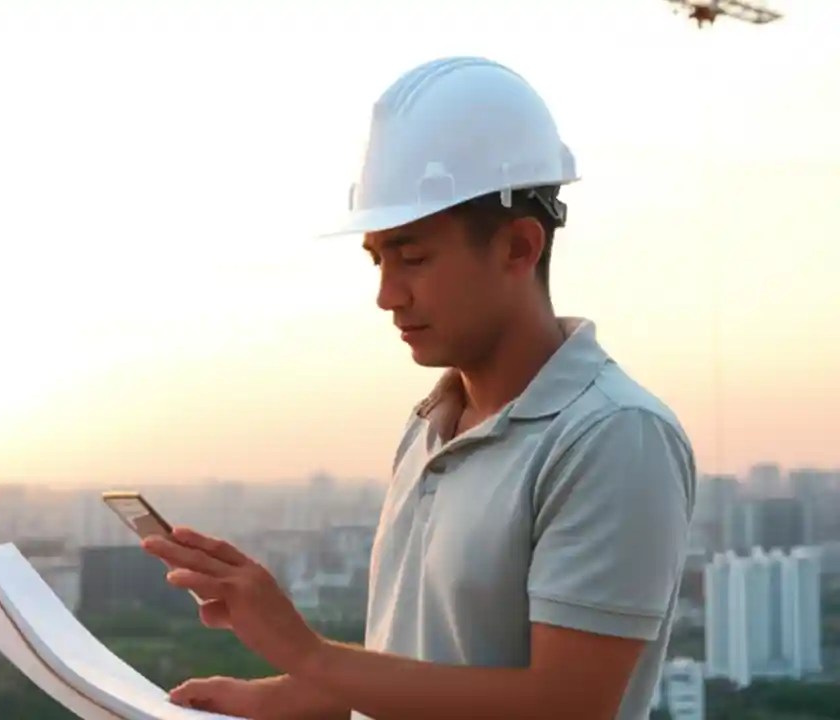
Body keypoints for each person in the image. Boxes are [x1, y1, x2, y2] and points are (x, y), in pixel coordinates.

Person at [142, 56, 696, 720]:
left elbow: (566, 705)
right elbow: (427, 668)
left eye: (413, 257)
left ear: (519, 248)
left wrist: (306, 652)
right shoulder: (431, 427)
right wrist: (274, 700)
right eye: (378, 259)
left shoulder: (611, 436)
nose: (385, 294)